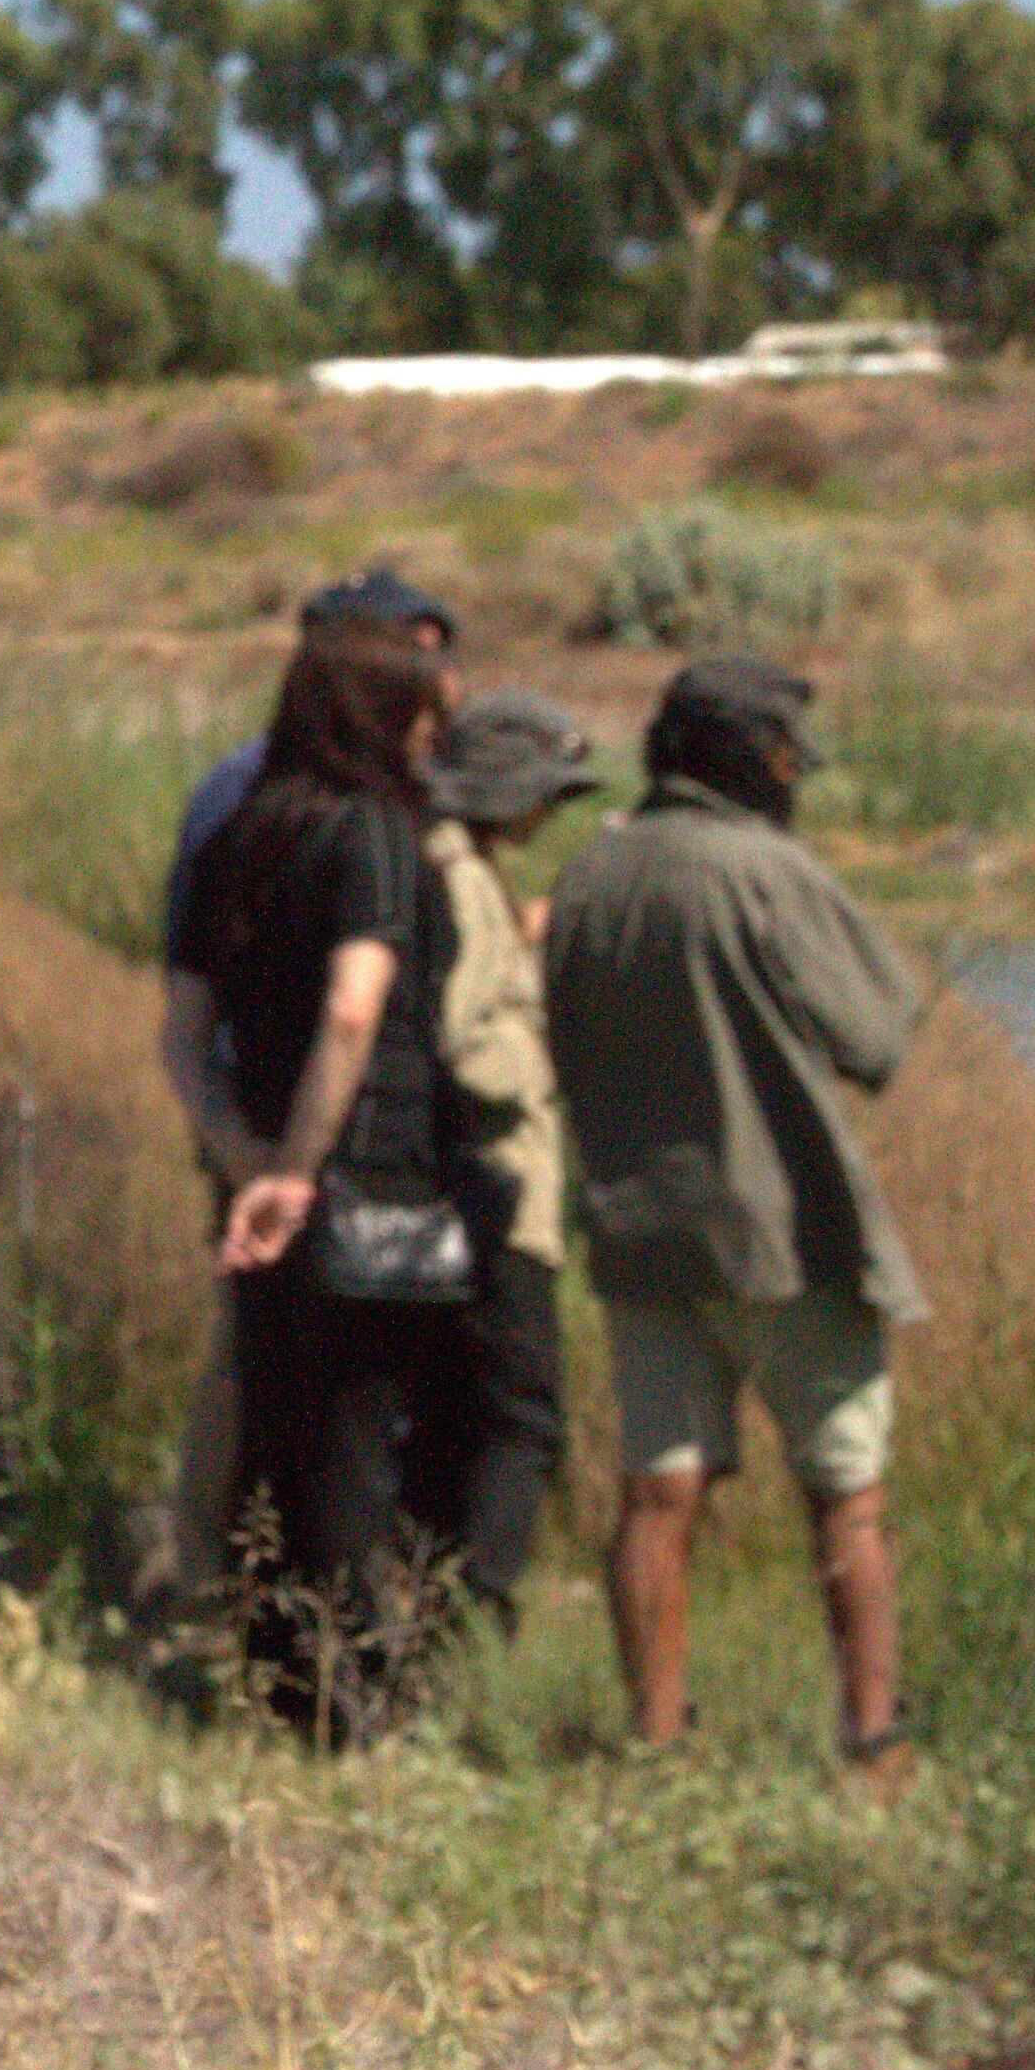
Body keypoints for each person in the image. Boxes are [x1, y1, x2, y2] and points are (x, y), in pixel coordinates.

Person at [539, 656, 923, 1782]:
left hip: (639, 1233)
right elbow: (877, 1041)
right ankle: (872, 1752)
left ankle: (652, 1749)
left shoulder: (591, 871)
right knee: (846, 1500)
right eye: (783, 756)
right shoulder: (768, 868)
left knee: (657, 1496)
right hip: (782, 1229)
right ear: (750, 761)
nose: (794, 776)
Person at [178, 615, 467, 1739]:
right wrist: (298, 1171)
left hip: (251, 1181)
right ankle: (342, 1721)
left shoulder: (238, 833)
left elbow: (179, 1029)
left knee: (272, 1433)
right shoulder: (372, 835)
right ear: (387, 720)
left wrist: (240, 1154)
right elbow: (353, 1011)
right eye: (425, 720)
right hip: (366, 1178)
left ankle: (266, 1690)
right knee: (354, 1447)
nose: (432, 743)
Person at [402, 690, 600, 1636]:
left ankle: (423, 1616)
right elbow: (459, 1040)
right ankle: (472, 1619)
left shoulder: (451, 869)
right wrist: (543, 1049)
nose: (552, 811)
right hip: (492, 1188)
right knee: (520, 1419)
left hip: (455, 1192)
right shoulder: (460, 880)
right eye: (547, 792)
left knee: (453, 1418)